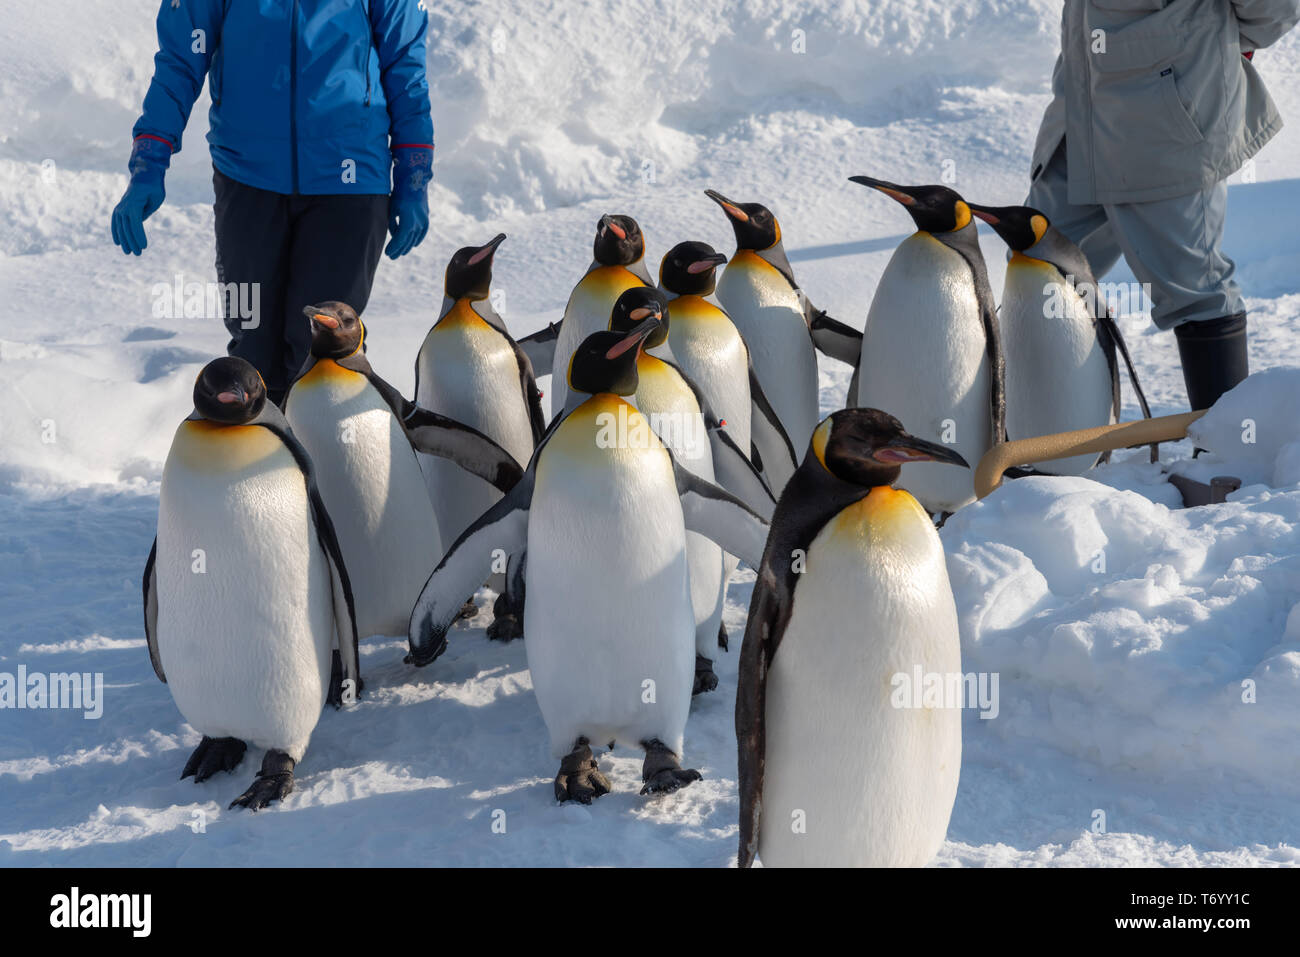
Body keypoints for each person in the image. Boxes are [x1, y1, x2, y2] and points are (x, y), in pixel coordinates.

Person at [111, 0, 434, 405]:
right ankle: (259, 465)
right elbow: (180, 61)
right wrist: (148, 163)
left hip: (349, 185)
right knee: (252, 347)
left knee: (326, 349)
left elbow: (406, 69)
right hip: (247, 182)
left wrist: (414, 177)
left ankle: (335, 465)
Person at [1025, 0, 1300, 411]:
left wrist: (1203, 41)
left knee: (1194, 287)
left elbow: (1274, 6)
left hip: (1166, 124)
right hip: (1078, 116)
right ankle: (1056, 442)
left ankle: (1222, 455)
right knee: (1039, 275)